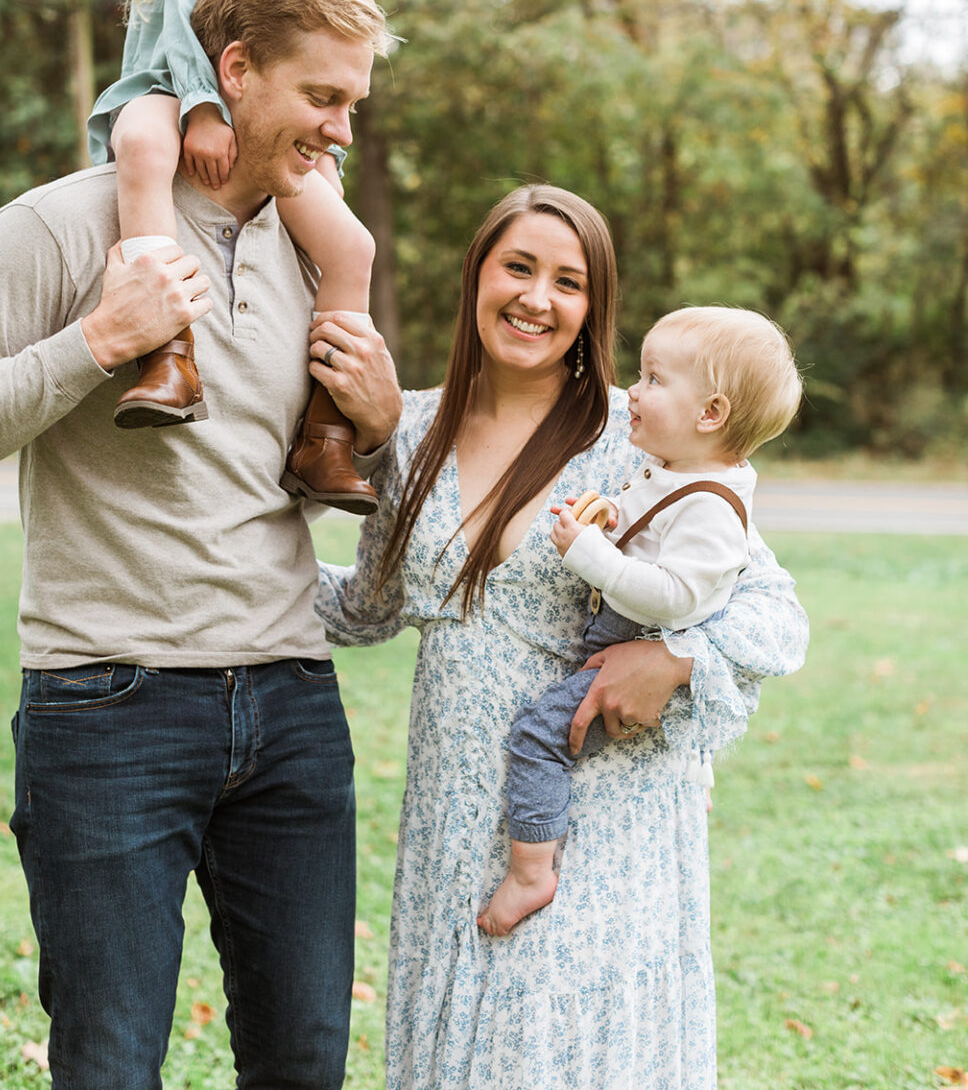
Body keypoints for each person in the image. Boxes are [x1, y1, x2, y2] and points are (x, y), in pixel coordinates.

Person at [0, 0, 402, 1090]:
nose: (342, 131)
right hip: (108, 705)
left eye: (353, 102)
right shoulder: (61, 225)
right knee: (109, 1063)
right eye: (321, 97)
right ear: (234, 71)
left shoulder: (318, 250)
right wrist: (98, 341)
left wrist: (378, 427)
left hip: (292, 704)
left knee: (304, 1061)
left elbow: (327, 482)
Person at [316, 184, 809, 1090]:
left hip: (604, 815)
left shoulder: (642, 437)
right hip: (456, 812)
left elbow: (774, 612)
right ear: (478, 274)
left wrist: (675, 658)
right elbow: (368, 608)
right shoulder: (410, 426)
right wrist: (220, 561)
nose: (537, 298)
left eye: (568, 282)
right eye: (518, 267)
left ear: (593, 307)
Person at [88, 0, 378, 514]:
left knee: (352, 246)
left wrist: (323, 160)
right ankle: (168, 354)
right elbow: (184, 37)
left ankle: (326, 434)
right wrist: (205, 110)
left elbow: (331, 61)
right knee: (141, 143)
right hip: (168, 90)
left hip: (267, 126)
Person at [478, 304, 803, 936]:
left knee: (540, 735)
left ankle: (531, 871)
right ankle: (697, 765)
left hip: (640, 643)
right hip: (621, 635)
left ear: (710, 413)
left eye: (653, 379)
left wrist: (589, 553)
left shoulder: (713, 504)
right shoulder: (677, 468)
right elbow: (651, 532)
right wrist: (607, 517)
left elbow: (675, 596)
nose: (633, 390)